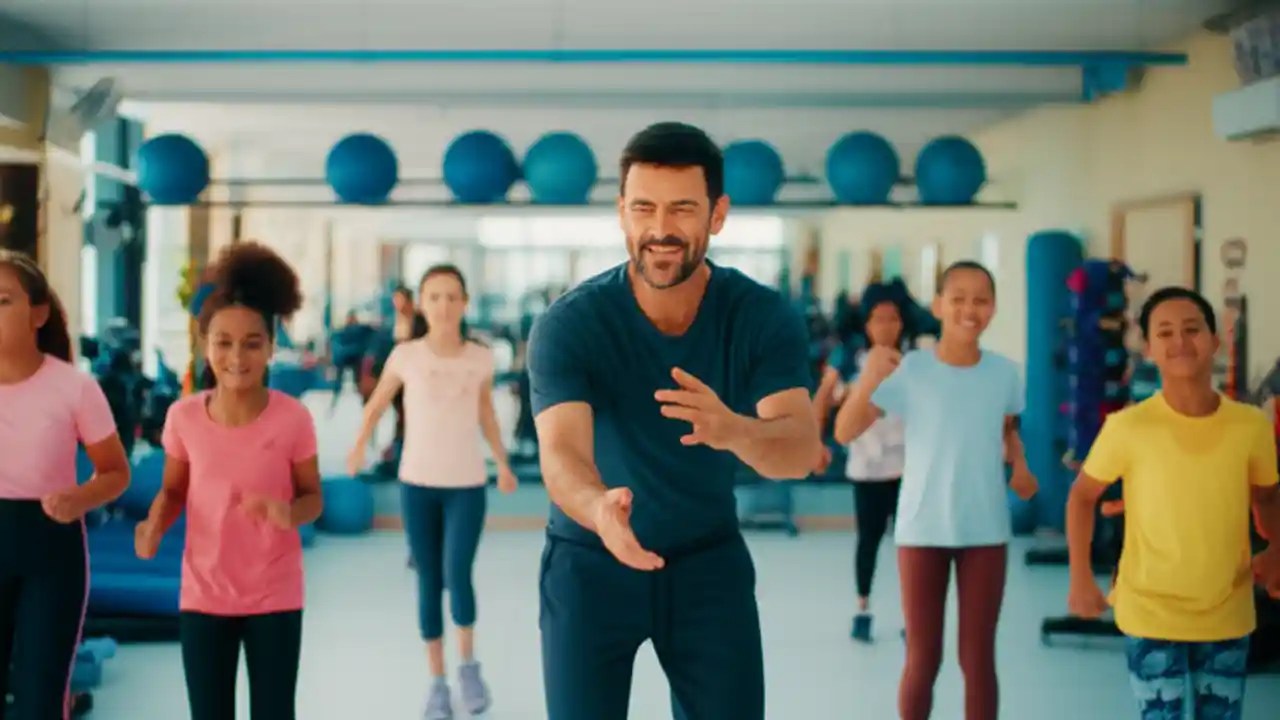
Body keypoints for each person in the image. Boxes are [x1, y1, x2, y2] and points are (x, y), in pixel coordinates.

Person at [526, 121, 823, 720]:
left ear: (717, 214)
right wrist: (598, 509)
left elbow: (798, 451)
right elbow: (561, 451)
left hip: (707, 565)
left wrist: (734, 428)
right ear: (622, 214)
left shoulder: (759, 317)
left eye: (682, 209)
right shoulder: (571, 324)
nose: (660, 229)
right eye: (644, 208)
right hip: (591, 560)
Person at [833, 260, 1037, 720]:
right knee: (924, 659)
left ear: (994, 308)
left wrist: (1020, 465)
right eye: (959, 298)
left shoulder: (1007, 374)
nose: (970, 309)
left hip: (986, 530)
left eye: (981, 299)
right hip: (921, 530)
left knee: (978, 660)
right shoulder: (913, 370)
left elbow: (1006, 430)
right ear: (939, 305)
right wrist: (869, 379)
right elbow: (845, 431)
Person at [1066, 286, 1280, 720]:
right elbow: (1082, 497)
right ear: (1148, 348)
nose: (1180, 341)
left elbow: (1267, 496)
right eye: (1165, 332)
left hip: (1227, 610)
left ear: (1215, 340)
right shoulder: (1128, 427)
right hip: (1150, 610)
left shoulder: (1250, 426)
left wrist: (1276, 549)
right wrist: (1080, 577)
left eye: (1191, 329)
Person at [134, 242, 322, 720]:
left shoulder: (293, 419)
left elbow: (313, 498)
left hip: (274, 594)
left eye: (252, 343)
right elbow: (174, 490)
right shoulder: (183, 418)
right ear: (204, 344)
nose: (237, 356)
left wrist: (289, 512)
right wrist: (156, 524)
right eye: (223, 342)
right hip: (204, 594)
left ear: (271, 347)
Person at [348, 264, 518, 720]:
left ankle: (468, 668)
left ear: (464, 303)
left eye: (451, 297)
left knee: (457, 573)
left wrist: (501, 462)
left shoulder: (480, 358)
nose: (443, 306)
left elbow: (486, 414)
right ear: (422, 304)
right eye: (434, 297)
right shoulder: (406, 356)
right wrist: (360, 444)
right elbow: (379, 401)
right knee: (428, 581)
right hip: (418, 485)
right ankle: (437, 683)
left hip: (466, 485)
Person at [0, 249, 131, 719]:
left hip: (49, 549)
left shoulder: (74, 388)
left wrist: (80, 497)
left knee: (38, 701)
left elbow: (116, 471)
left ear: (38, 314)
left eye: (3, 301)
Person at [814, 283, 912, 642]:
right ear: (866, 324)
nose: (886, 326)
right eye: (878, 319)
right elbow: (824, 398)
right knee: (868, 540)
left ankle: (910, 613)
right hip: (867, 468)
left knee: (909, 543)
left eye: (893, 319)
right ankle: (863, 607)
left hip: (907, 467)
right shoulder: (850, 360)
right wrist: (815, 444)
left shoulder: (914, 360)